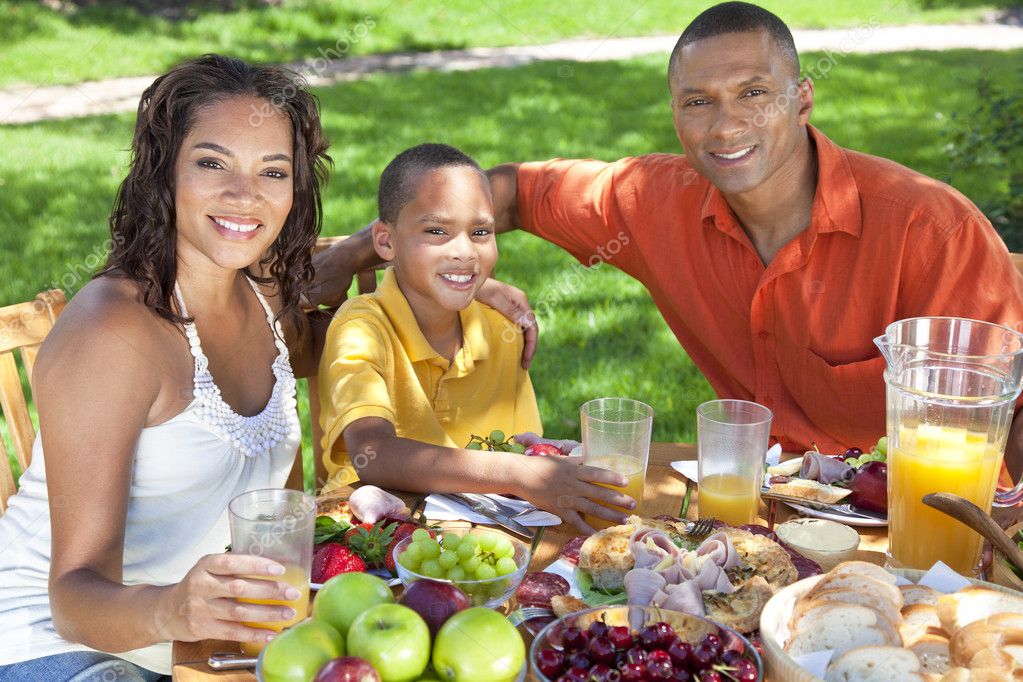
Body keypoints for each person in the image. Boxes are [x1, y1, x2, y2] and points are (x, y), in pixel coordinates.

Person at [328, 2, 1023, 484]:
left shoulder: (930, 231)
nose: (724, 127)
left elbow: (1006, 425)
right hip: (753, 513)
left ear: (802, 98)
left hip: (917, 526)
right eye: (697, 101)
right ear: (674, 111)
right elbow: (505, 193)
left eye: (753, 93)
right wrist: (369, 251)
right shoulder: (652, 201)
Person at [0, 55, 333, 680]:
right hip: (53, 647)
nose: (245, 194)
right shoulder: (112, 335)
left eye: (273, 170)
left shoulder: (262, 291)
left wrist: (434, 268)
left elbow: (334, 283)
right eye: (212, 163)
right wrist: (174, 611)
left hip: (203, 646)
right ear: (163, 172)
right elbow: (72, 597)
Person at [317, 143, 636, 532]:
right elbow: (374, 454)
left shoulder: (500, 327)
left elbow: (519, 450)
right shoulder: (363, 327)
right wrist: (520, 472)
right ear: (385, 242)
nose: (465, 252)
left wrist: (537, 463)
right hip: (371, 540)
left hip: (484, 538)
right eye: (437, 231)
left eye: (481, 232)